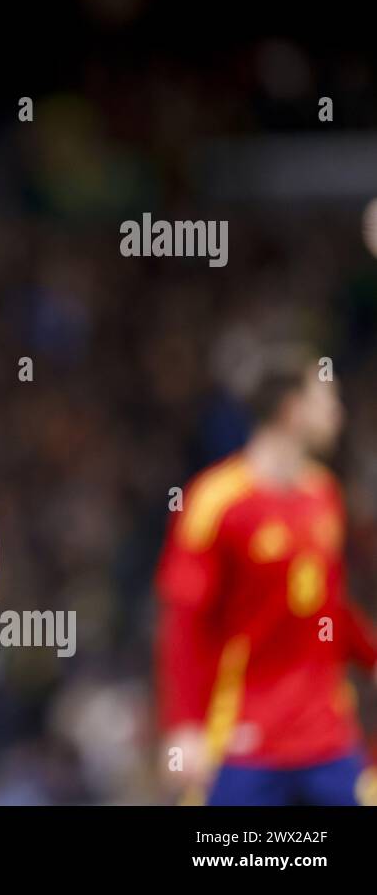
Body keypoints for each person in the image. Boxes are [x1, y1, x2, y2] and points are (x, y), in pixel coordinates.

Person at [156, 344, 377, 805]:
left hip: (326, 735)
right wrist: (184, 725)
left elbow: (328, 608)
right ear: (292, 410)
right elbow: (185, 622)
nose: (338, 412)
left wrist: (371, 656)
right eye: (327, 399)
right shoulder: (215, 501)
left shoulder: (324, 495)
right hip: (242, 737)